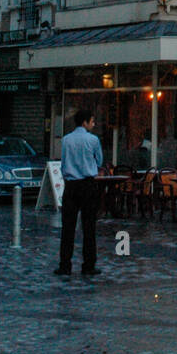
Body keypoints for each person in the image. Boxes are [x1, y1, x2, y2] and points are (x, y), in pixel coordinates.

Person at [55, 109, 103, 278]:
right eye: (92, 121)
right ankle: (88, 265)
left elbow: (63, 161)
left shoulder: (66, 140)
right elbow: (100, 160)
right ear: (85, 122)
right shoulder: (93, 140)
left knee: (68, 227)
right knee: (89, 227)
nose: (94, 124)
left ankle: (65, 264)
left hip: (71, 185)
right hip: (88, 185)